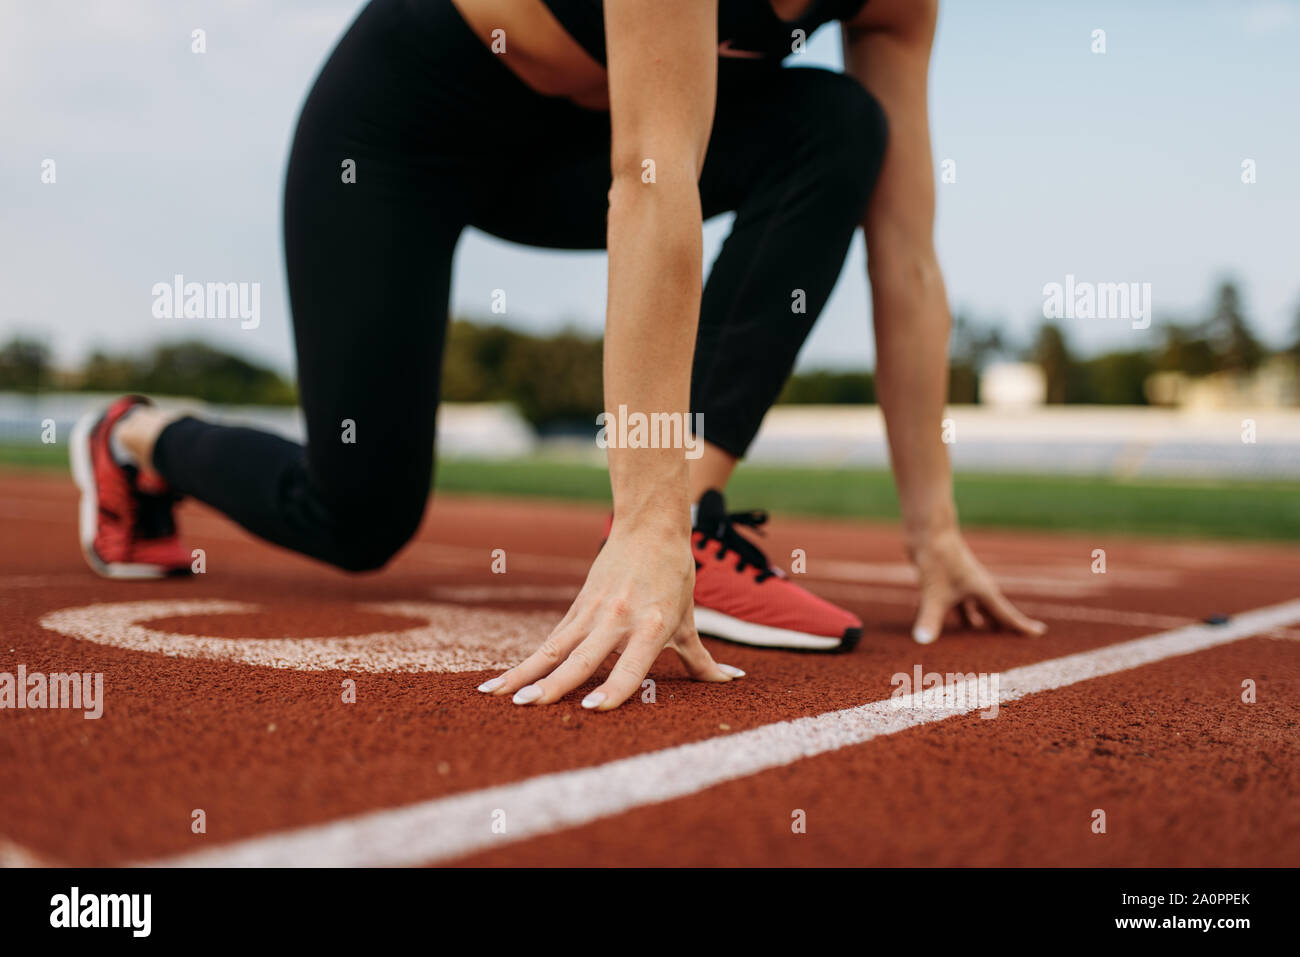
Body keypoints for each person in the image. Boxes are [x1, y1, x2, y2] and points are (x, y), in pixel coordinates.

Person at [72, 0, 1045, 714]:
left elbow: (907, 260)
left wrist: (935, 528)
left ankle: (695, 526)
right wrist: (640, 514)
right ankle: (138, 436)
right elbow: (653, 183)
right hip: (397, 136)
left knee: (837, 127)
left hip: (565, 155)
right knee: (358, 514)